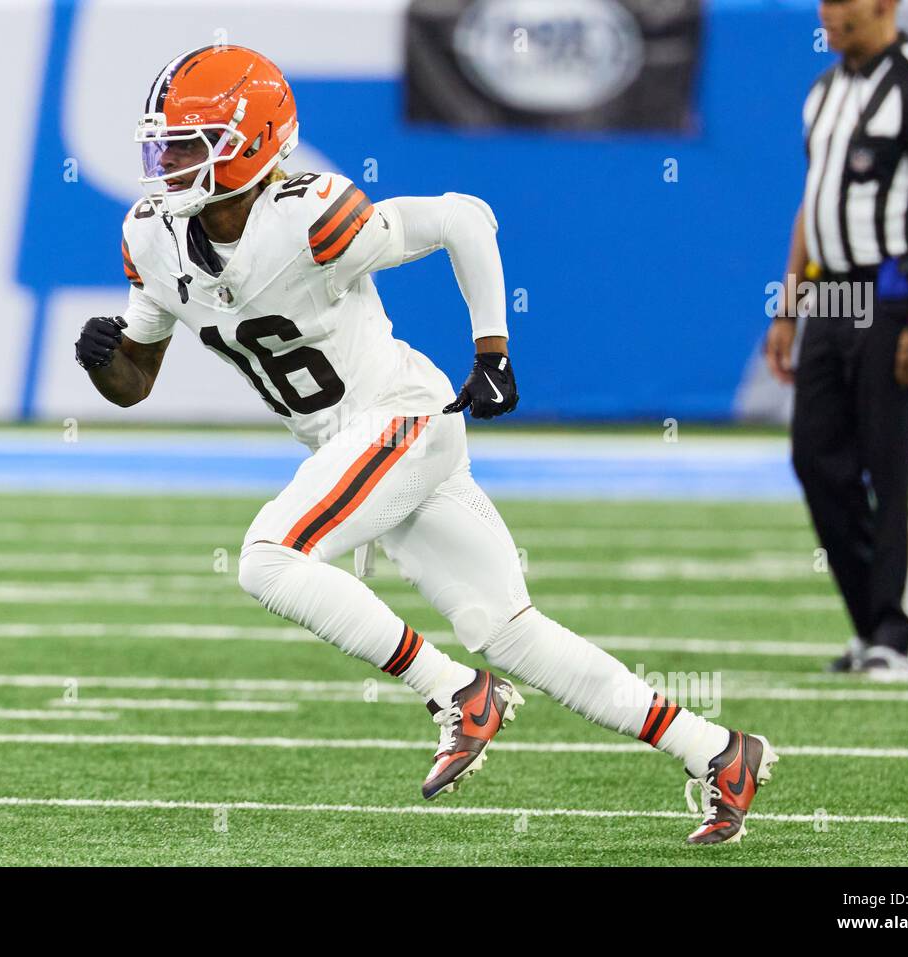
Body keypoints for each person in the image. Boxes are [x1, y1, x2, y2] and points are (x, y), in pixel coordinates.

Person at [77, 45, 776, 844]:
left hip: (397, 416)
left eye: (188, 143)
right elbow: (136, 379)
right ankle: (719, 750)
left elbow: (461, 217)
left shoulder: (310, 216)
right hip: (358, 444)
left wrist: (493, 349)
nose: (166, 162)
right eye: (162, 143)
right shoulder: (154, 238)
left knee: (269, 556)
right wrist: (106, 360)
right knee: (508, 627)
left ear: (253, 142)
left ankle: (454, 691)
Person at [765, 0, 908, 680]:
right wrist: (789, 306)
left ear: (884, 5)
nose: (827, 14)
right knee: (817, 457)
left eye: (841, 2)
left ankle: (902, 632)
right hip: (833, 294)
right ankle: (881, 622)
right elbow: (812, 201)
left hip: (897, 293)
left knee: (897, 464)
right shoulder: (823, 92)